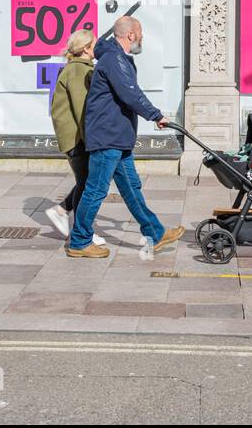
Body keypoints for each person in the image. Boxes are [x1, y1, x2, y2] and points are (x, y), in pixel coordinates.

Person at [66, 16, 185, 258]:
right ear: (130, 35)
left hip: (117, 138)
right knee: (96, 190)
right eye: (139, 33)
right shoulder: (113, 59)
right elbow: (131, 93)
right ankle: (79, 242)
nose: (141, 38)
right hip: (107, 137)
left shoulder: (115, 58)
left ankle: (155, 232)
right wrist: (155, 115)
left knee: (131, 188)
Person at [46, 29, 105, 245]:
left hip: (74, 136)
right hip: (77, 137)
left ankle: (62, 211)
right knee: (88, 184)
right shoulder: (79, 71)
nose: (97, 49)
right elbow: (83, 110)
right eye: (94, 45)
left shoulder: (77, 68)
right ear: (86, 48)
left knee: (86, 182)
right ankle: (80, 231)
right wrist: (93, 141)